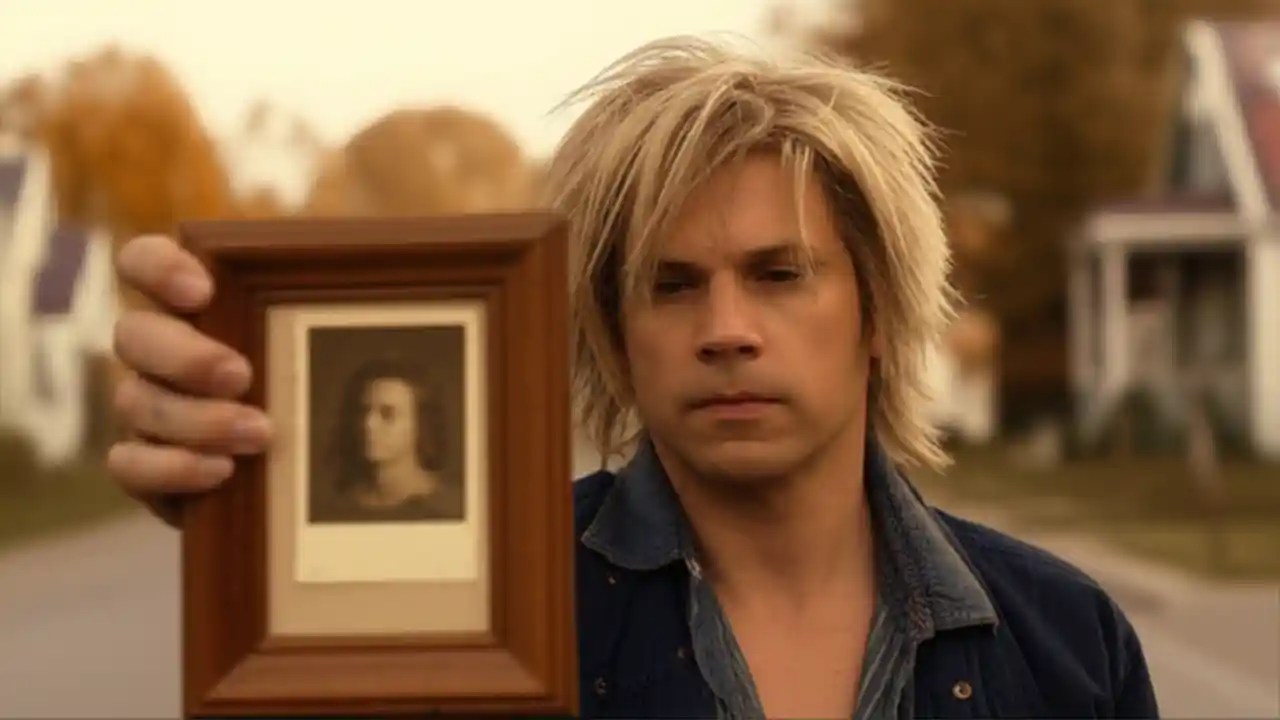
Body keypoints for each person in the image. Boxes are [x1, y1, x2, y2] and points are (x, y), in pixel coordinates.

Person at [106, 36, 1158, 718]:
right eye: (670, 286)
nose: (725, 329)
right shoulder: (477, 613)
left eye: (779, 275)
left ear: (876, 310)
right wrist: (253, 525)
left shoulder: (1064, 643)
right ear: (613, 333)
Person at [312, 354, 462, 523]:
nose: (368, 424)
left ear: (420, 424)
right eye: (364, 411)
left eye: (387, 414)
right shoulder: (335, 512)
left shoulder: (451, 510)